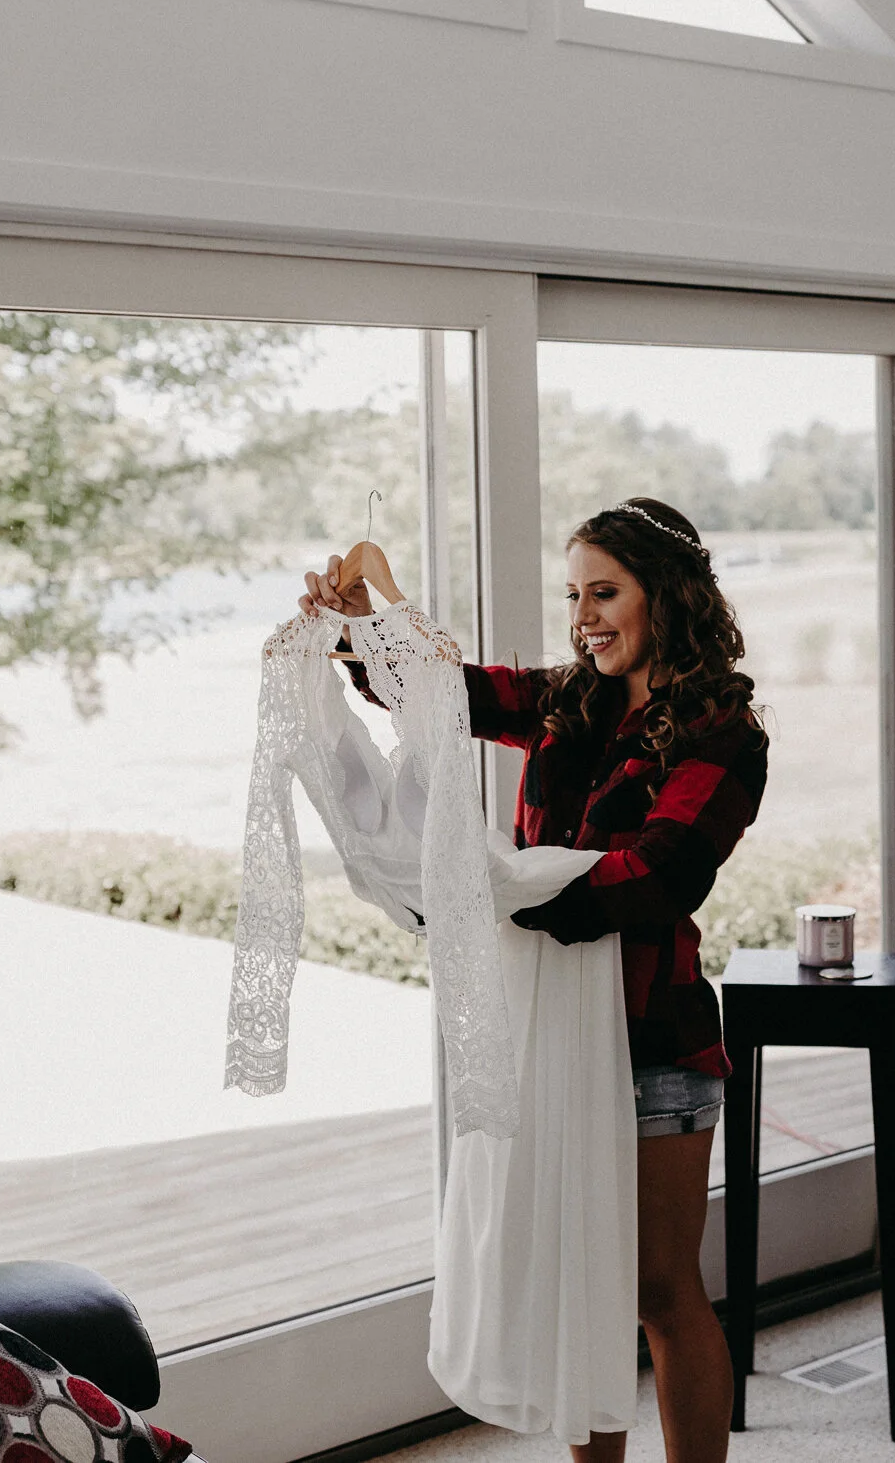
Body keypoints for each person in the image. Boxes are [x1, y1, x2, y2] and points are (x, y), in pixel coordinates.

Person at [302, 496, 766, 1463]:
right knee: (572, 1283)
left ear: (667, 597)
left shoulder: (725, 730)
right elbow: (439, 693)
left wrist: (502, 891)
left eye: (605, 592)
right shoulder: (568, 698)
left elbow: (663, 871)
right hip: (548, 1031)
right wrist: (351, 628)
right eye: (574, 593)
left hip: (655, 1041)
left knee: (657, 1291)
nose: (584, 615)